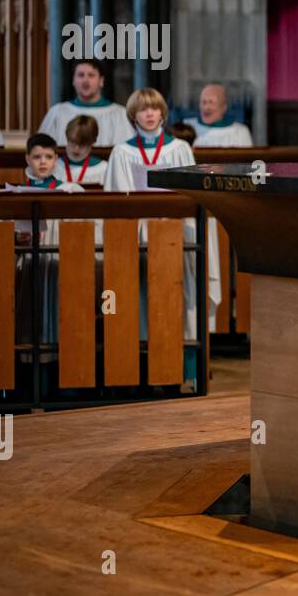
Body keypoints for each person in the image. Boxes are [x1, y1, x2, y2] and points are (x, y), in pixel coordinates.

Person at [105, 88, 220, 385]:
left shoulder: (179, 149)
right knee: (142, 299)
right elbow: (117, 196)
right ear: (133, 115)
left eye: (154, 109)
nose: (149, 114)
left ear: (162, 113)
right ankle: (144, 373)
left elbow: (192, 191)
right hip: (140, 238)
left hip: (176, 234)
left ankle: (187, 371)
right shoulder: (122, 152)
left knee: (181, 298)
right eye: (143, 109)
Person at [37, 60, 134, 147]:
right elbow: (41, 149)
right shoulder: (57, 112)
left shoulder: (119, 114)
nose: (85, 80)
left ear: (101, 81)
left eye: (91, 75)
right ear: (73, 80)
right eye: (80, 75)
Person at [184, 83, 253, 148]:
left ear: (223, 107)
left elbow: (246, 159)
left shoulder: (240, 132)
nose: (206, 108)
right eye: (203, 102)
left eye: (211, 102)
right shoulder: (186, 128)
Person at [56, 115, 108, 186]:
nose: (76, 149)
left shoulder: (103, 169)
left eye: (82, 145)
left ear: (93, 143)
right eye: (72, 142)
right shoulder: (54, 166)